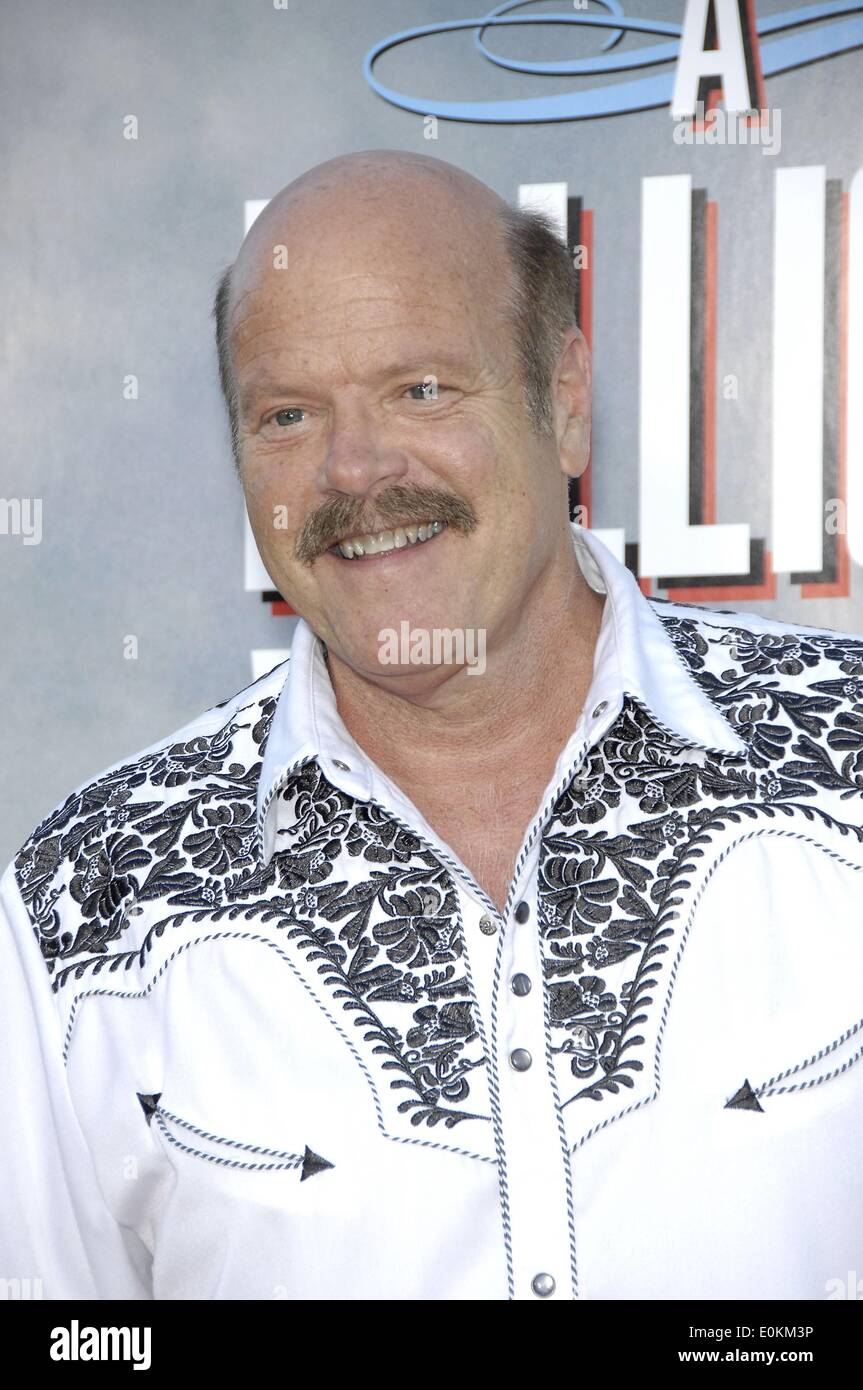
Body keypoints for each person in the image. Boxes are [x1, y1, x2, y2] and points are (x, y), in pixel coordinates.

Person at [2, 149, 862, 1302]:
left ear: (560, 404)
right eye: (288, 413)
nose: (354, 468)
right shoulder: (85, 897)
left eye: (420, 389)